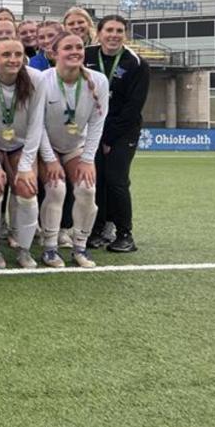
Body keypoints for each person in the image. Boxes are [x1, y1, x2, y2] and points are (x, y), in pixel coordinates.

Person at [36, 32, 110, 268]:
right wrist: (50, 159)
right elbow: (36, 125)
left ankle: (80, 246)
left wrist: (88, 160)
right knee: (56, 188)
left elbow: (97, 123)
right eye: (68, 47)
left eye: (79, 47)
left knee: (87, 189)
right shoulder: (42, 80)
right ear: (54, 53)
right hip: (46, 145)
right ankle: (49, 247)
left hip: (75, 146)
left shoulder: (98, 81)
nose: (75, 52)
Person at [84, 15, 149, 253]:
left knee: (116, 180)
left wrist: (110, 138)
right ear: (99, 33)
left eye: (119, 30)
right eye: (109, 30)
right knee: (97, 179)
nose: (114, 35)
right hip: (92, 129)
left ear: (126, 34)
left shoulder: (136, 63)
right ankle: (98, 229)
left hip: (123, 131)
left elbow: (134, 107)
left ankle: (125, 234)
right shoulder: (87, 56)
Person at [0, 37, 46, 269]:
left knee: (28, 190)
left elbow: (37, 125)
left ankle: (24, 249)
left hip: (21, 145)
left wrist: (27, 165)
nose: (13, 59)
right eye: (6, 55)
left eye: (18, 54)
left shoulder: (37, 79)